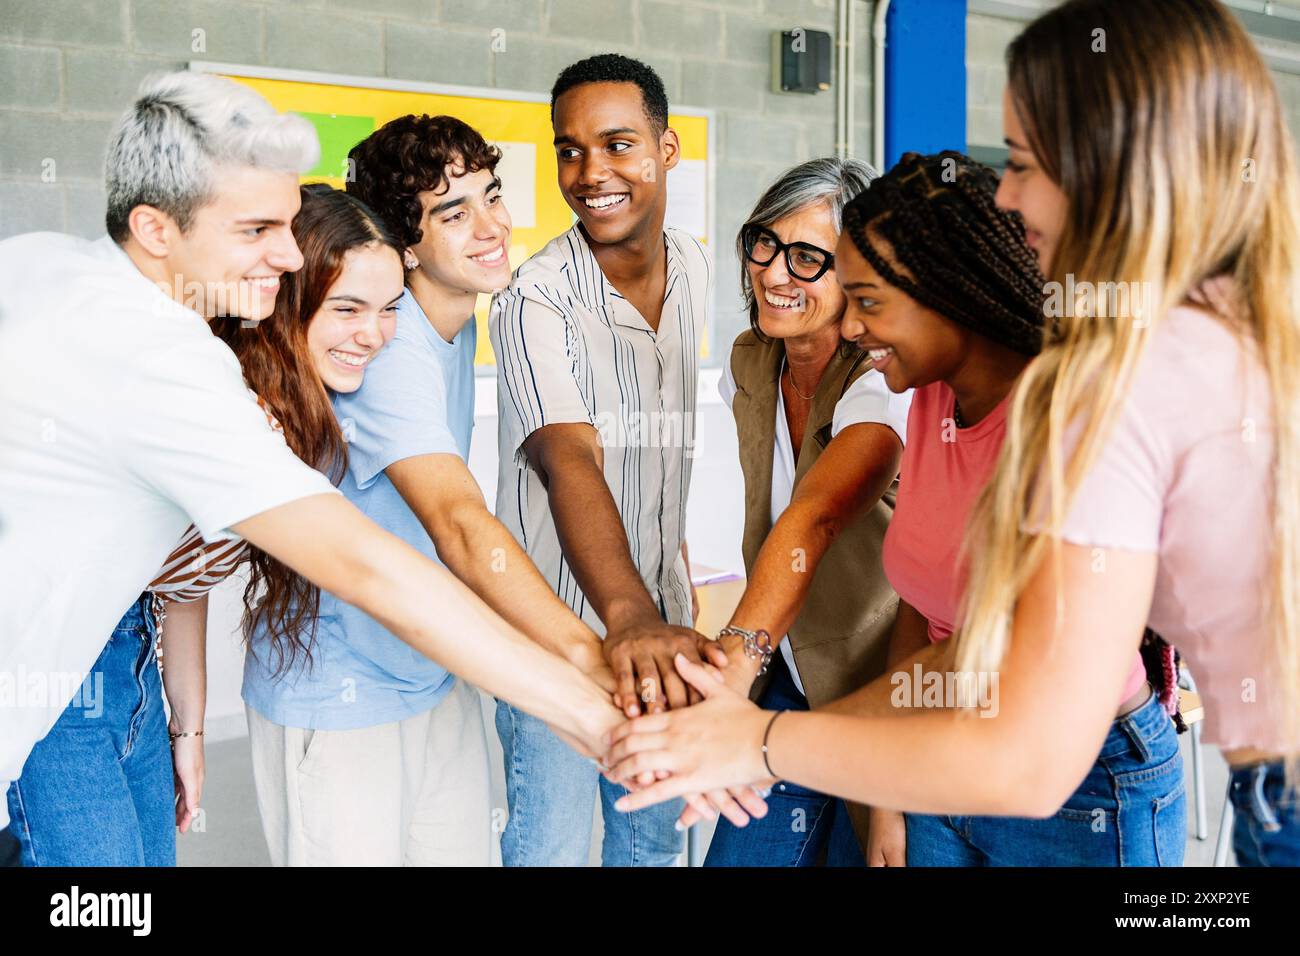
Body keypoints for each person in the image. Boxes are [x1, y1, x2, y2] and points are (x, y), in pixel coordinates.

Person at [602, 0, 1300, 869]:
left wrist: (758, 742)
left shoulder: (1125, 383)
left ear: (1119, 170)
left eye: (1023, 162)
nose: (1005, 193)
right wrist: (773, 729)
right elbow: (964, 640)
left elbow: (1031, 757)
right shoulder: (1093, 362)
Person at [0, 71, 622, 840]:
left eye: (290, 225)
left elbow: (165, 575)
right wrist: (594, 711)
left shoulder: (45, 263)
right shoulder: (166, 367)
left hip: (116, 653)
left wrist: (186, 728)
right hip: (57, 682)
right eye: (256, 229)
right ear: (156, 229)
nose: (291, 256)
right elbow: (368, 564)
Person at [239, 117, 614, 866]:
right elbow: (460, 525)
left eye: (491, 196)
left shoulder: (451, 318)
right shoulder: (393, 346)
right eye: (453, 212)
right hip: (342, 693)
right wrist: (588, 658)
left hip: (429, 671)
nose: (490, 227)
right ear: (404, 242)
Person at [489, 53, 722, 866]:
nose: (591, 173)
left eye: (618, 144)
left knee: (653, 845)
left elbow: (653, 450)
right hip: (556, 634)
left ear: (667, 149)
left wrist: (666, 583)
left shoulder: (691, 265)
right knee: (547, 848)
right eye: (570, 149)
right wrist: (628, 617)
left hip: (661, 614)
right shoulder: (532, 300)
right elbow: (569, 460)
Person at [703, 157, 912, 867]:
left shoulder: (884, 379)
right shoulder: (753, 359)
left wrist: (736, 660)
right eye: (764, 244)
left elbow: (816, 518)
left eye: (806, 258)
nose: (773, 273)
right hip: (788, 677)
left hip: (877, 695)